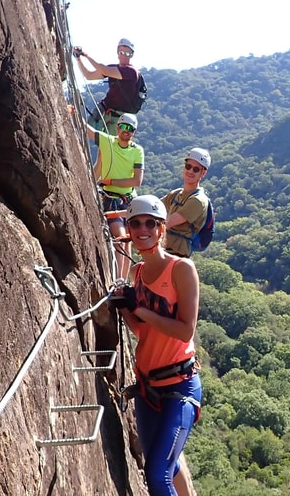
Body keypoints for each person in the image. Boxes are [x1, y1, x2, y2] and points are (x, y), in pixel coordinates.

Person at [111, 195, 201, 496]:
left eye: (150, 223)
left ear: (161, 229)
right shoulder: (136, 274)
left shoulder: (181, 269)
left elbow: (185, 330)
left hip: (180, 386)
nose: (142, 229)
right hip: (148, 389)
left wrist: (139, 308)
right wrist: (125, 309)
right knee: (166, 463)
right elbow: (142, 331)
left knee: (157, 473)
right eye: (135, 223)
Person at [87, 112, 144, 277]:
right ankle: (119, 280)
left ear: (134, 132)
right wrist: (71, 112)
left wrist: (110, 181)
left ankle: (123, 281)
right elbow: (88, 130)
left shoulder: (137, 151)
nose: (127, 131)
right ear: (118, 128)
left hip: (128, 200)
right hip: (111, 199)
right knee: (121, 238)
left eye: (130, 129)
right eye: (124, 127)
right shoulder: (108, 142)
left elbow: (137, 181)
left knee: (127, 242)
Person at [75, 38, 142, 134]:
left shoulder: (131, 72)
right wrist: (78, 59)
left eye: (128, 54)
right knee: (86, 131)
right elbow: (89, 75)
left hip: (118, 117)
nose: (124, 56)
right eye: (121, 52)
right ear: (117, 52)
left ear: (132, 55)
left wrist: (86, 56)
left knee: (108, 144)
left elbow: (104, 70)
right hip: (105, 108)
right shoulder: (113, 68)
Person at [162, 148, 211, 258]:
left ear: (203, 173)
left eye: (196, 169)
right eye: (188, 166)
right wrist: (116, 214)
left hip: (176, 255)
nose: (190, 171)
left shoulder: (198, 201)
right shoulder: (176, 194)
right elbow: (149, 209)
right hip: (162, 250)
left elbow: (167, 224)